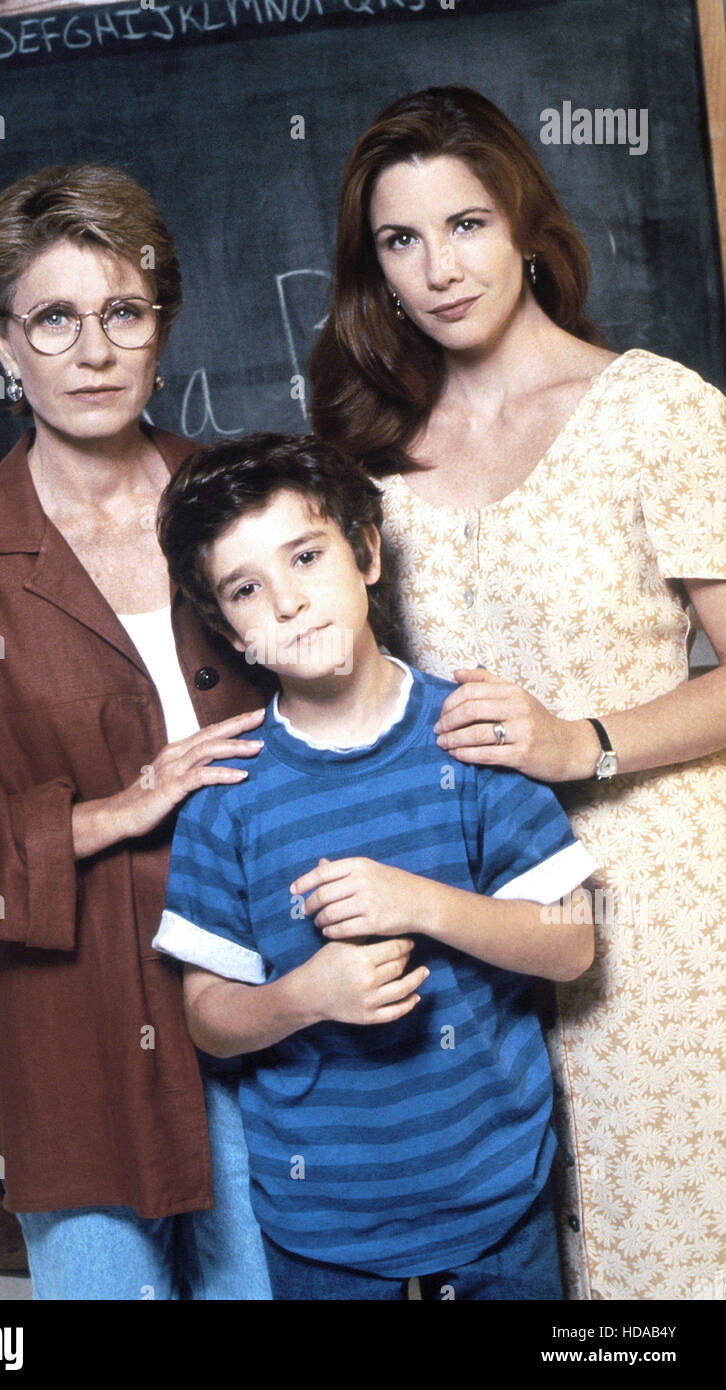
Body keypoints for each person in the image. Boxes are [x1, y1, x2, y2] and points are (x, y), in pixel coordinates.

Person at [307, 86, 726, 1301]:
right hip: (470, 904)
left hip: (659, 902)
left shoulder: (652, 408)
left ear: (526, 227)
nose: (437, 268)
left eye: (466, 224)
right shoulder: (372, 441)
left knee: (667, 1250)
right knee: (526, 1254)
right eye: (400, 239)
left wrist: (577, 740)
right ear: (372, 266)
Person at [0, 163, 273, 1300]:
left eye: (122, 313)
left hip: (266, 994)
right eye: (53, 318)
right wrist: (113, 809)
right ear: (4, 344)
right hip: (73, 1026)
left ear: (162, 326)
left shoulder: (248, 506)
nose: (92, 351)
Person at [153, 431, 598, 1300]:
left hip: (498, 1214)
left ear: (365, 553)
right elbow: (208, 1018)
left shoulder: (469, 737)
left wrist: (420, 903)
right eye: (247, 589)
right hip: (325, 1238)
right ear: (228, 630)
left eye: (307, 556)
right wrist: (306, 996)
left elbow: (574, 943)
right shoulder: (226, 795)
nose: (288, 603)